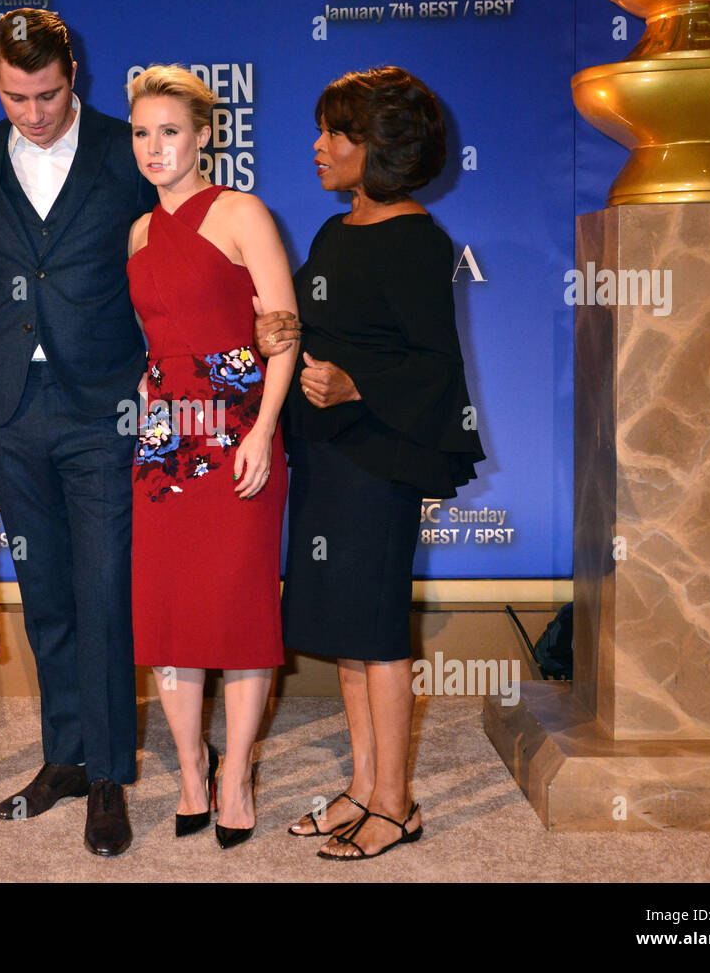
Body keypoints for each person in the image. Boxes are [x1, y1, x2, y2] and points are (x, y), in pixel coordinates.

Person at [255, 66, 484, 859]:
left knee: (379, 631)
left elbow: (435, 364)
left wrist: (357, 383)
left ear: (379, 146)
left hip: (380, 460)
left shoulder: (418, 239)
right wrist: (278, 336)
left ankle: (396, 802)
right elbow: (317, 328)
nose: (318, 147)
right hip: (325, 453)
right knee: (349, 632)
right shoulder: (333, 232)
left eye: (336, 134)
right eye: (321, 131)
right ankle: (360, 787)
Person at [0, 9, 156, 856]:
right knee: (45, 591)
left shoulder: (126, 148)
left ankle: (108, 774)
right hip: (8, 403)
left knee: (103, 588)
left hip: (102, 400)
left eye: (48, 94)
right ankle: (65, 758)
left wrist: (162, 367)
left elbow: (169, 257)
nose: (34, 114)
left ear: (74, 74)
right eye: (16, 96)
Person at [126, 66, 299, 848]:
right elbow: (157, 339)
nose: (154, 147)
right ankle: (193, 770)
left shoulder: (240, 212)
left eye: (170, 131)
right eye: (142, 133)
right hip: (166, 439)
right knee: (170, 613)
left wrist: (263, 429)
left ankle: (237, 777)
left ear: (203, 135)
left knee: (238, 607)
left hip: (238, 429)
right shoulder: (137, 233)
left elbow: (281, 329)